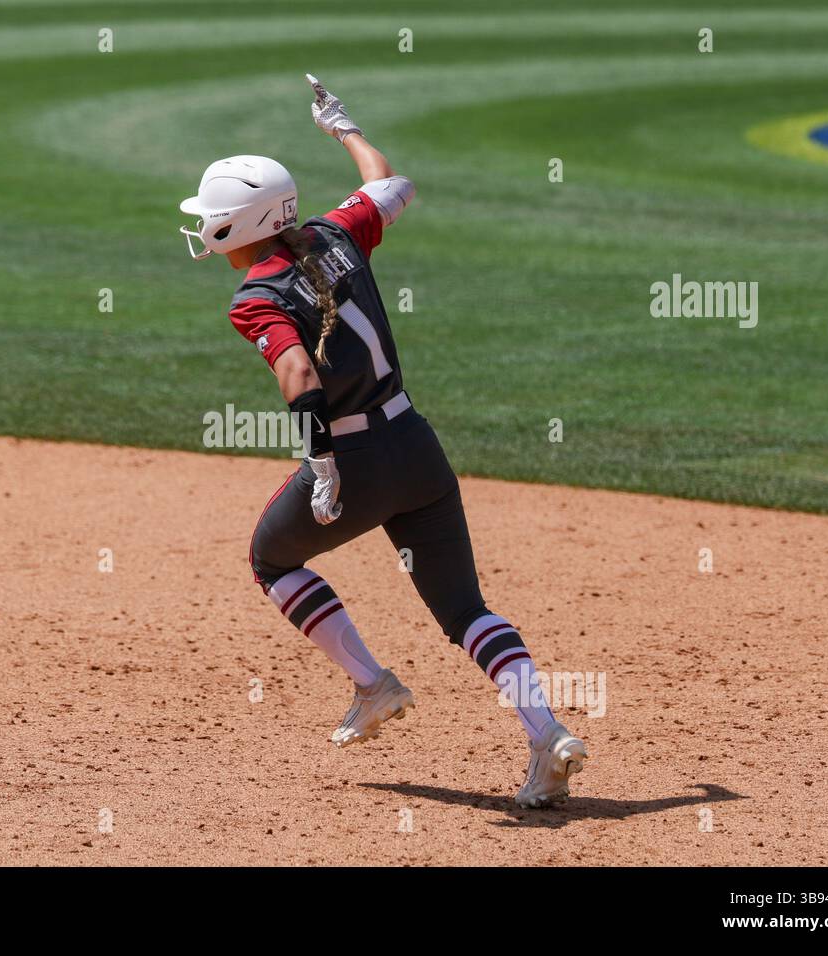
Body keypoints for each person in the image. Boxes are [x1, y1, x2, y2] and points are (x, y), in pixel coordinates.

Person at [178, 75, 587, 808]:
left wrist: (323, 464)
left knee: (272, 560)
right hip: (417, 447)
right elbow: (391, 183)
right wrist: (343, 127)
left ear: (237, 225)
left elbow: (298, 372)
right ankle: (547, 733)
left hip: (357, 461)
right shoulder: (334, 235)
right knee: (466, 612)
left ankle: (373, 684)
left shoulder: (256, 297)